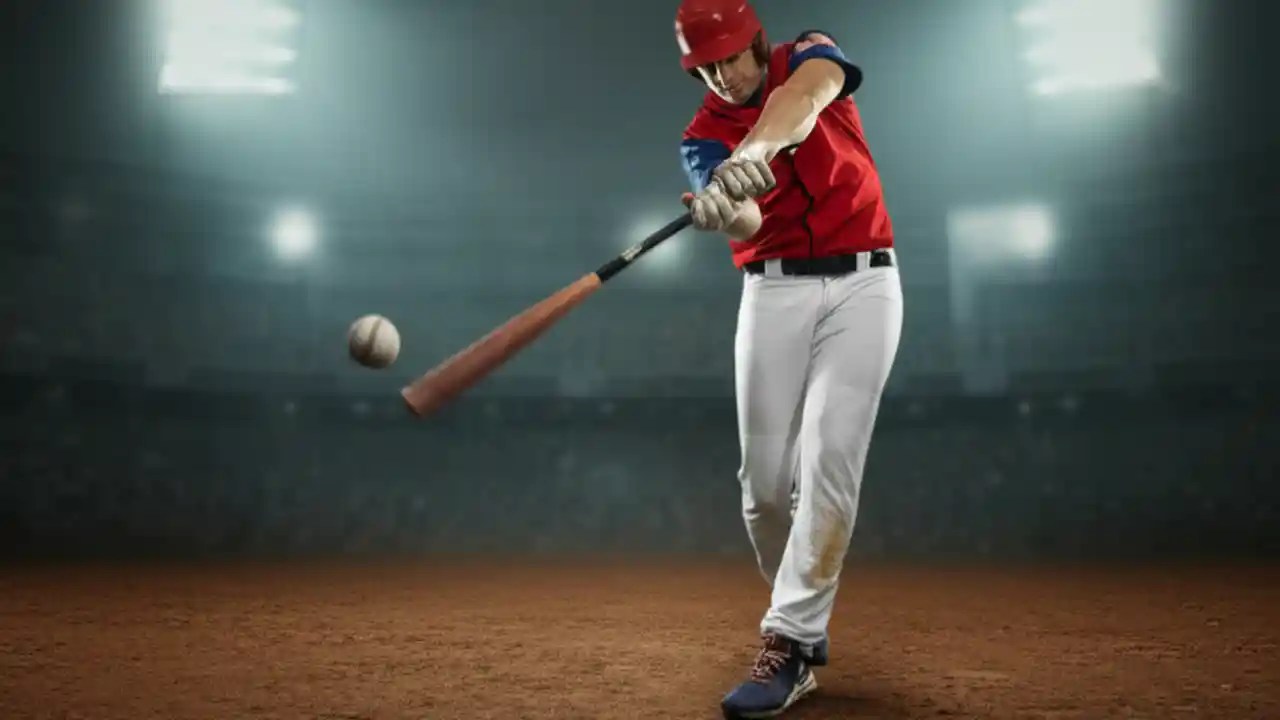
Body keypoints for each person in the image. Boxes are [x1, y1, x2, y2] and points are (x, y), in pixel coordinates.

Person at [672, 0, 904, 717]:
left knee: (829, 458)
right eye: (704, 66)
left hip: (866, 282)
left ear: (757, 40)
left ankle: (789, 641)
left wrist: (753, 154)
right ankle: (802, 609)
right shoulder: (700, 135)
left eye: (731, 57)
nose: (720, 76)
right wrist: (722, 208)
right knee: (764, 491)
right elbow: (743, 217)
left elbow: (805, 101)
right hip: (772, 294)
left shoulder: (809, 52)